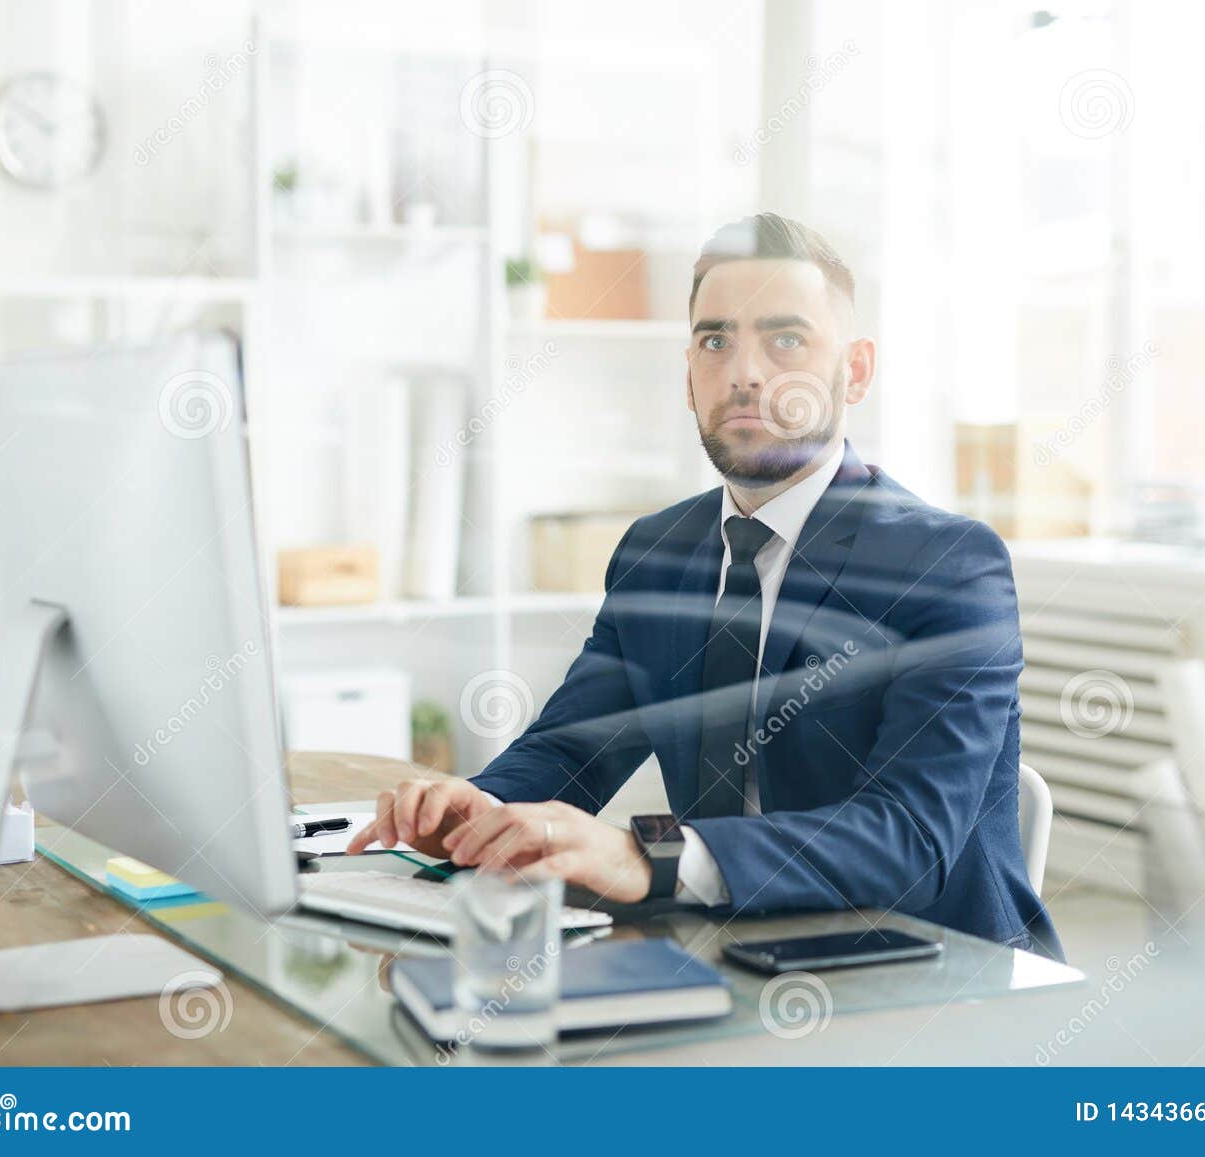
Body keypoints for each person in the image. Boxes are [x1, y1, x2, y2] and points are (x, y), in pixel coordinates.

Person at [349, 212, 1061, 959]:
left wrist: (649, 854)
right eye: (716, 339)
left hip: (932, 975)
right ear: (688, 374)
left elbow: (909, 838)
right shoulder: (657, 552)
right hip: (728, 952)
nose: (745, 372)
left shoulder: (949, 564)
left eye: (785, 339)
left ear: (853, 370)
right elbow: (574, 752)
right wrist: (479, 808)